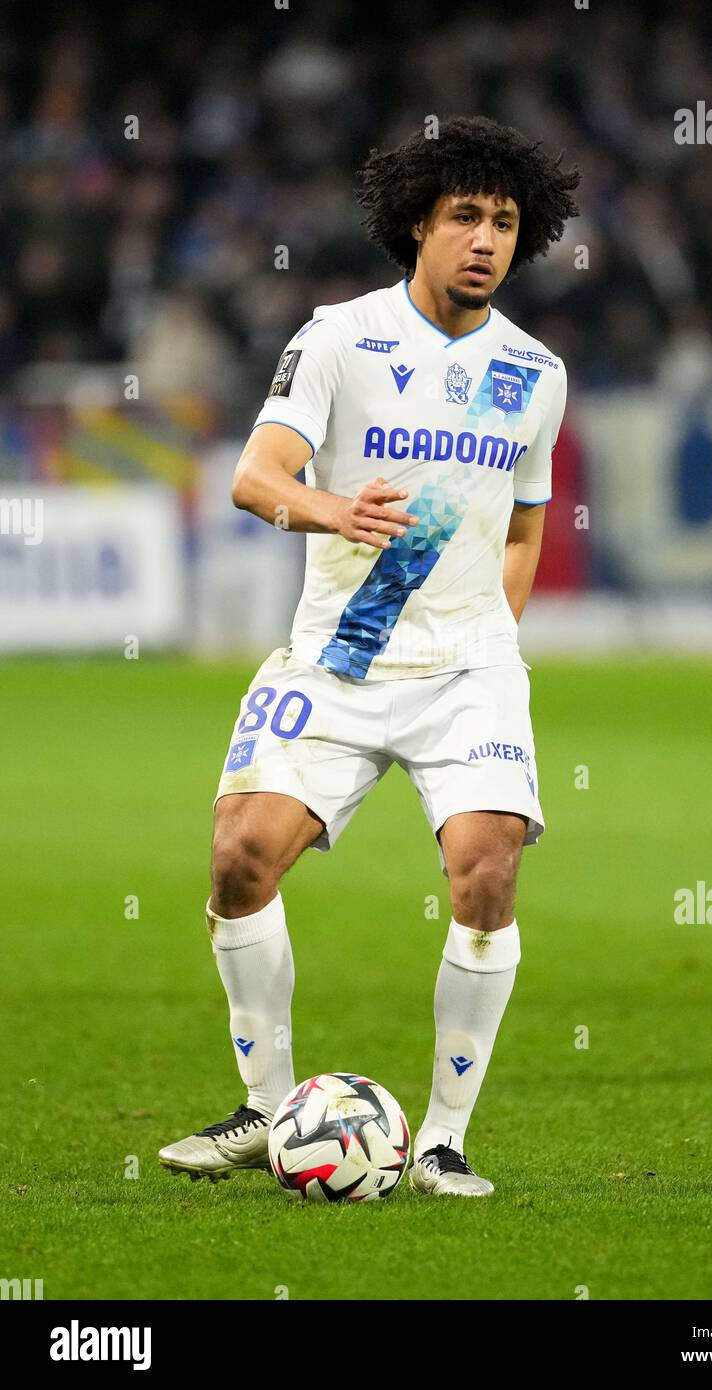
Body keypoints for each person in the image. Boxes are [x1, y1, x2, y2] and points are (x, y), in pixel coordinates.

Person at [158, 115, 579, 1196]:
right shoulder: (339, 338)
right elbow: (256, 477)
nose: (484, 239)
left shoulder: (533, 373)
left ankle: (440, 1138)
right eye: (463, 218)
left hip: (466, 669)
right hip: (335, 661)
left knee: (486, 869)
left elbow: (525, 527)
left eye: (503, 222)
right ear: (416, 227)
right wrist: (331, 510)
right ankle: (264, 1111)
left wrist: (492, 644)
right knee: (238, 859)